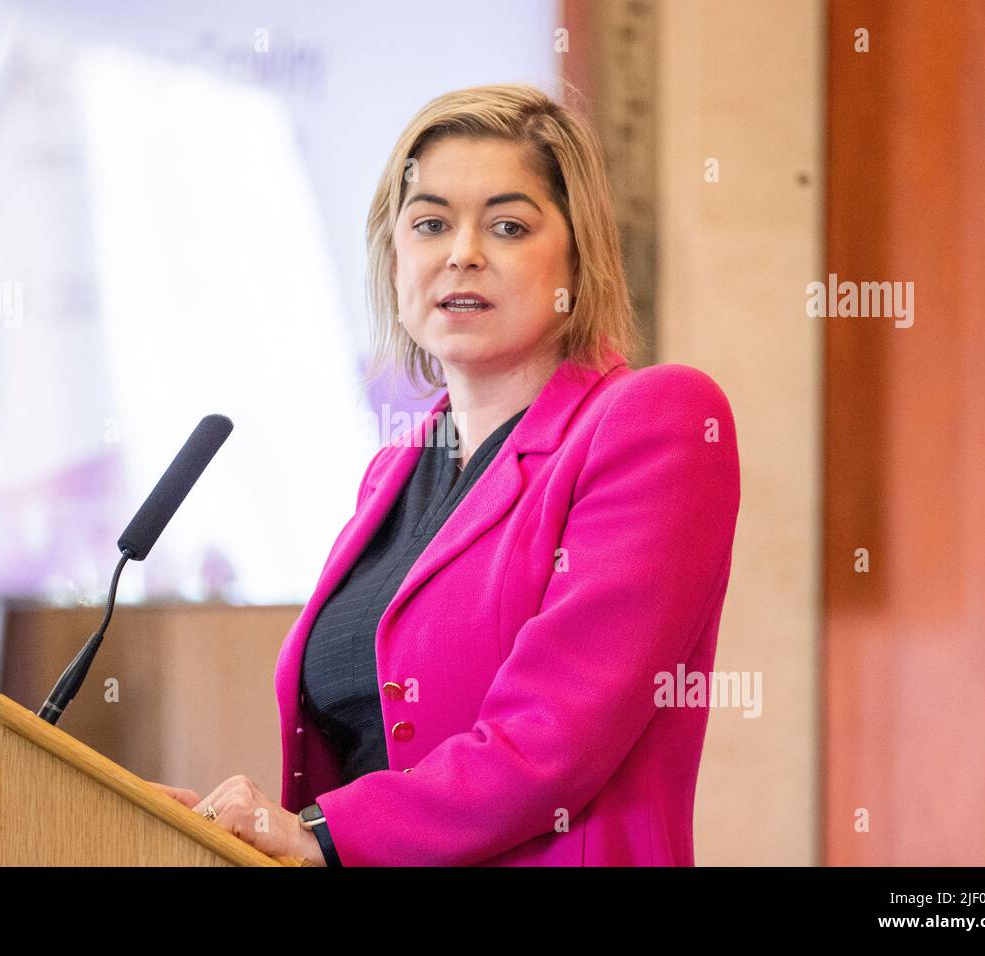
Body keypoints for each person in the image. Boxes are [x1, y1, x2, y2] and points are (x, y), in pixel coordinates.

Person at [150, 82, 740, 866]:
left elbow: (550, 741)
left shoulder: (654, 422)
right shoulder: (391, 475)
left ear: (578, 258)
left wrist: (319, 835)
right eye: (430, 223)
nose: (462, 252)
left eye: (507, 225)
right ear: (395, 261)